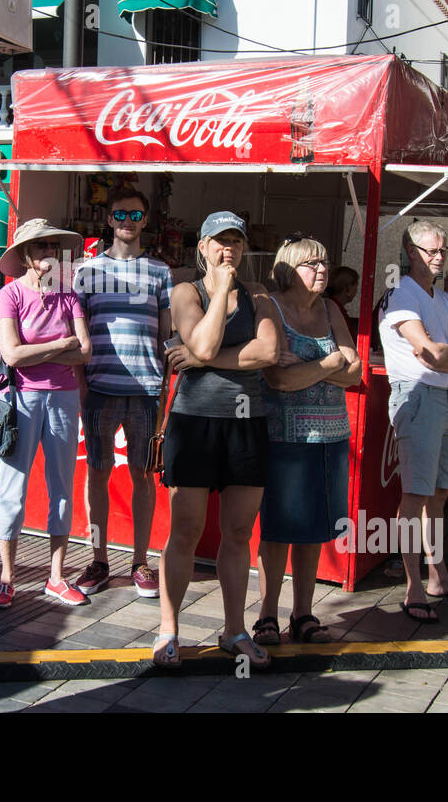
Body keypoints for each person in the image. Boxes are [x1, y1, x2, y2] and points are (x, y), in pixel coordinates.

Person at [154, 212, 280, 668]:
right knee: (185, 528)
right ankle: (169, 629)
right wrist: (222, 290)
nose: (230, 249)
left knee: (239, 532)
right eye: (221, 241)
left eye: (237, 242)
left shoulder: (259, 295)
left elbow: (268, 352)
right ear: (203, 247)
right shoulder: (188, 291)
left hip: (247, 423)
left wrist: (203, 358)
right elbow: (202, 343)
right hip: (195, 422)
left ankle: (234, 629)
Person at [252, 233, 360, 645]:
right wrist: (331, 361)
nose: (321, 271)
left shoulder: (332, 308)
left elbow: (356, 372)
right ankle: (266, 616)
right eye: (311, 264)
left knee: (314, 530)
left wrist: (313, 367)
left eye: (324, 263)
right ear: (288, 269)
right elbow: (278, 378)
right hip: (284, 438)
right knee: (279, 530)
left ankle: (303, 614)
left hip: (331, 435)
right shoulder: (271, 306)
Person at [378, 220, 448, 623]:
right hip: (416, 395)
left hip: (443, 395)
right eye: (430, 251)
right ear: (409, 251)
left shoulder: (443, 298)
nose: (438, 257)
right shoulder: (402, 295)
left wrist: (447, 352)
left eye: (442, 251)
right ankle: (413, 586)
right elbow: (433, 355)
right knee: (416, 497)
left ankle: (438, 576)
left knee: (438, 495)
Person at [71, 187, 173, 598]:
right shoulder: (86, 272)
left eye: (134, 215)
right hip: (99, 389)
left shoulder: (161, 272)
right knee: (96, 474)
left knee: (143, 477)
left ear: (144, 221)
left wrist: (166, 387)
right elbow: (77, 337)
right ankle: (98, 559)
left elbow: (168, 336)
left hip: (147, 392)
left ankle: (140, 562)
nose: (127, 222)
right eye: (120, 215)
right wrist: (80, 387)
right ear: (108, 219)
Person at [0, 218, 93, 608]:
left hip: (63, 397)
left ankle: (56, 576)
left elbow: (85, 352)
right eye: (41, 247)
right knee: (12, 488)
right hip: (21, 399)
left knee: (61, 486)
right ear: (26, 257)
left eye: (52, 247)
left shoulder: (68, 296)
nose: (49, 253)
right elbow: (11, 354)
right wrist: (61, 343)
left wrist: (45, 351)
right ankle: (6, 578)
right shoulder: (10, 295)